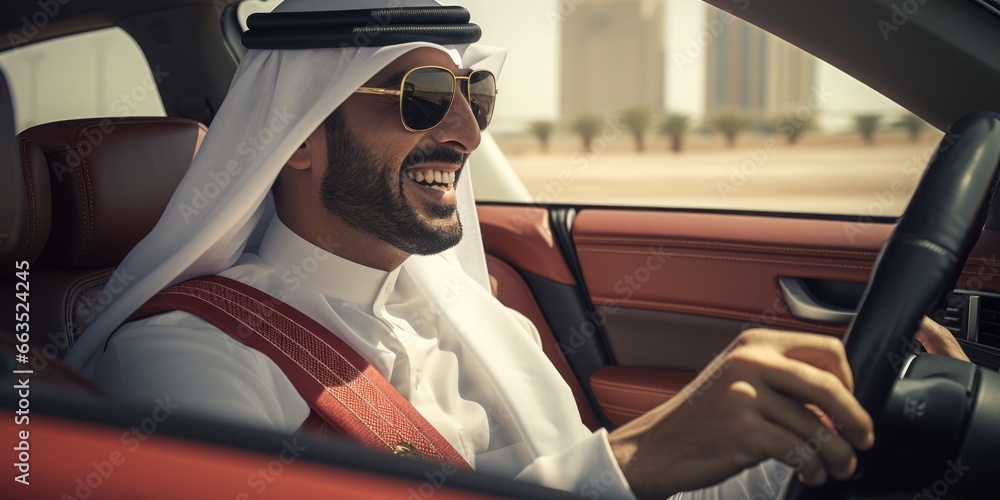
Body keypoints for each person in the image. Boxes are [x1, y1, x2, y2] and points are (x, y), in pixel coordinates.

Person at [63, 1, 969, 498]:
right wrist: (634, 459)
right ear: (296, 135)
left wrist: (788, 440)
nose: (464, 130)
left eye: (473, 93)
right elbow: (618, 480)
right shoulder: (186, 361)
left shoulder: (477, 313)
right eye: (420, 94)